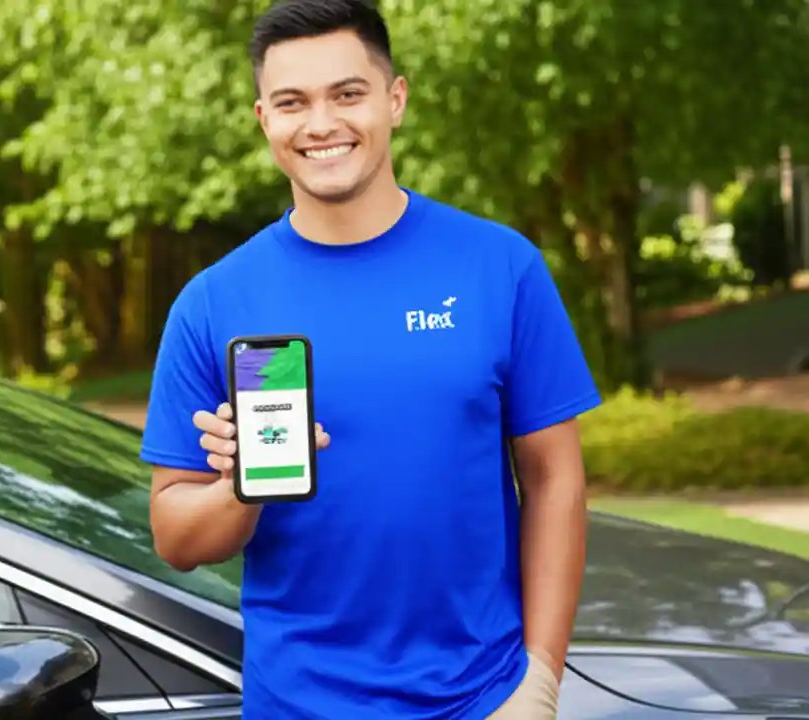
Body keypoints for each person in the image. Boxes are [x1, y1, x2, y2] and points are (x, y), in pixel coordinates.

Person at [140, 0, 602, 717]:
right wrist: (244, 486)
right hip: (296, 704)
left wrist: (540, 680)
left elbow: (555, 481)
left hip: (481, 699)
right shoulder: (212, 303)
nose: (321, 123)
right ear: (265, 120)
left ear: (395, 100)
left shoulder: (499, 266)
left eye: (347, 94)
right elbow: (175, 536)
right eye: (292, 102)